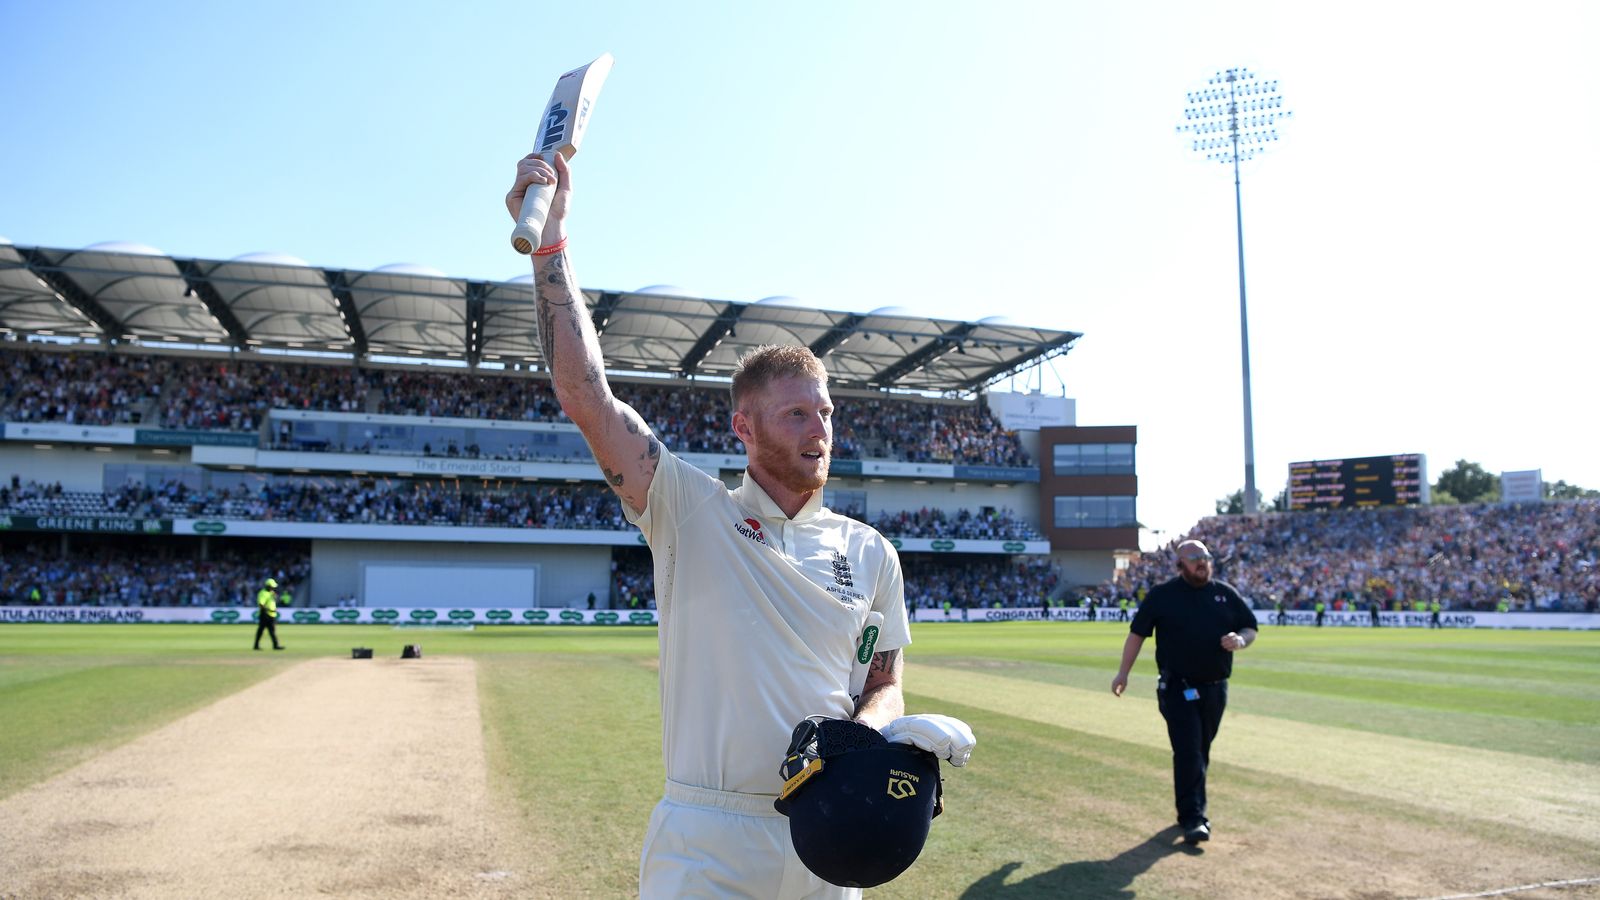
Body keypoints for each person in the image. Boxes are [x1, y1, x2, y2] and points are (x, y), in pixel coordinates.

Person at [506, 152, 917, 898]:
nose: (819, 427)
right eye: (797, 412)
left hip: (829, 836)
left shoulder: (871, 551)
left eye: (825, 411)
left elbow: (884, 681)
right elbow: (585, 394)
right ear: (745, 426)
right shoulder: (689, 510)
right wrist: (552, 243)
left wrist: (880, 732)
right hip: (706, 839)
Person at [1110, 539, 1257, 845]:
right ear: (1179, 565)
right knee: (1190, 750)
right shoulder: (1163, 596)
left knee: (1200, 751)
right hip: (1177, 687)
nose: (1201, 561)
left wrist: (1240, 640)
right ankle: (1192, 818)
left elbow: (1249, 627)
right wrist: (1123, 672)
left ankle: (1189, 809)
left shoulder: (1224, 594)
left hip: (1216, 688)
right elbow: (1137, 635)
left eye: (1205, 556)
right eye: (1193, 557)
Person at [254, 577, 284, 651]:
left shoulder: (271, 593)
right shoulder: (263, 593)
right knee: (261, 630)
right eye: (272, 586)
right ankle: (257, 645)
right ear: (268, 586)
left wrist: (275, 598)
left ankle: (275, 645)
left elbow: (273, 602)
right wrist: (269, 610)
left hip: (271, 615)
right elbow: (261, 604)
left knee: (272, 630)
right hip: (265, 614)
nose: (273, 588)